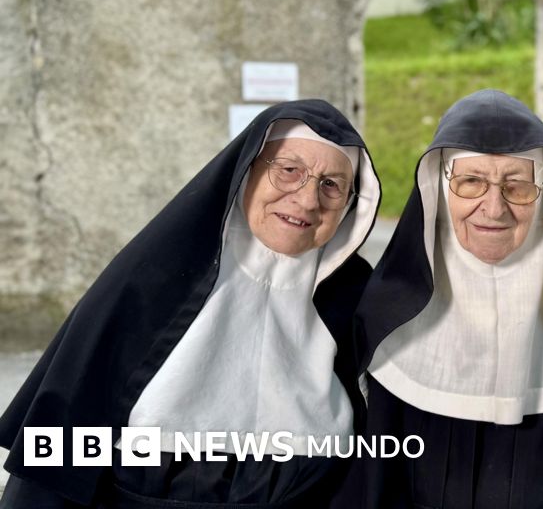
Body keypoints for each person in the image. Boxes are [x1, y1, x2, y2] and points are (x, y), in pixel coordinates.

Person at [0, 99, 381, 508]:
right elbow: (70, 425)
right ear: (247, 168)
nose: (307, 200)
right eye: (289, 171)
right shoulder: (157, 277)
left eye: (331, 185)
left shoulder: (358, 296)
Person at [344, 89, 543, 508]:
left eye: (518, 185)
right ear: (438, 190)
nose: (494, 209)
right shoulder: (379, 338)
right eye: (471, 182)